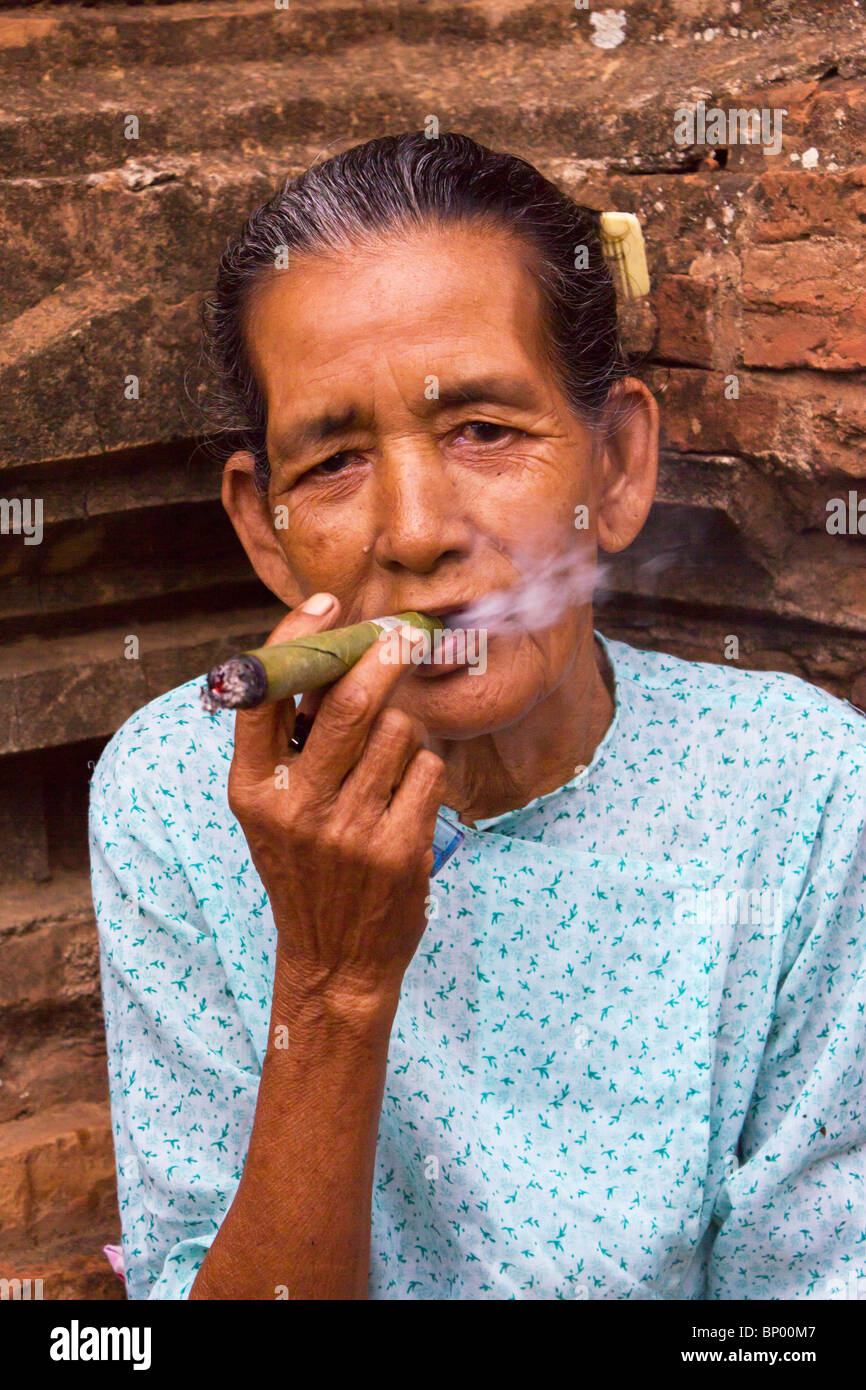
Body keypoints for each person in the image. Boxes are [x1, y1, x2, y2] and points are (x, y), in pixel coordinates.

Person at [89, 131, 866, 1301]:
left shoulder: (797, 790)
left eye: (484, 432)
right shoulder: (173, 793)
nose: (414, 531)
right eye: (336, 460)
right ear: (265, 526)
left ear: (612, 469)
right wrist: (332, 983)